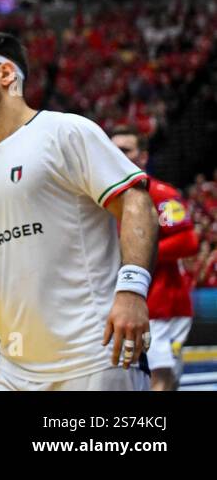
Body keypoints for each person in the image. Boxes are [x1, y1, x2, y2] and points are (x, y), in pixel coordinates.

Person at [0, 32, 158, 390]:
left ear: (6, 75)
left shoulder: (64, 132)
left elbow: (136, 201)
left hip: (94, 358)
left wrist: (132, 291)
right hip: (14, 370)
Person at [110, 126, 199, 390]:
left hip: (161, 304)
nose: (118, 155)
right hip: (123, 303)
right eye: (113, 150)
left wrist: (135, 251)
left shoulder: (161, 193)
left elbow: (188, 241)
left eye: (126, 150)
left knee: (161, 378)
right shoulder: (102, 196)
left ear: (143, 157)